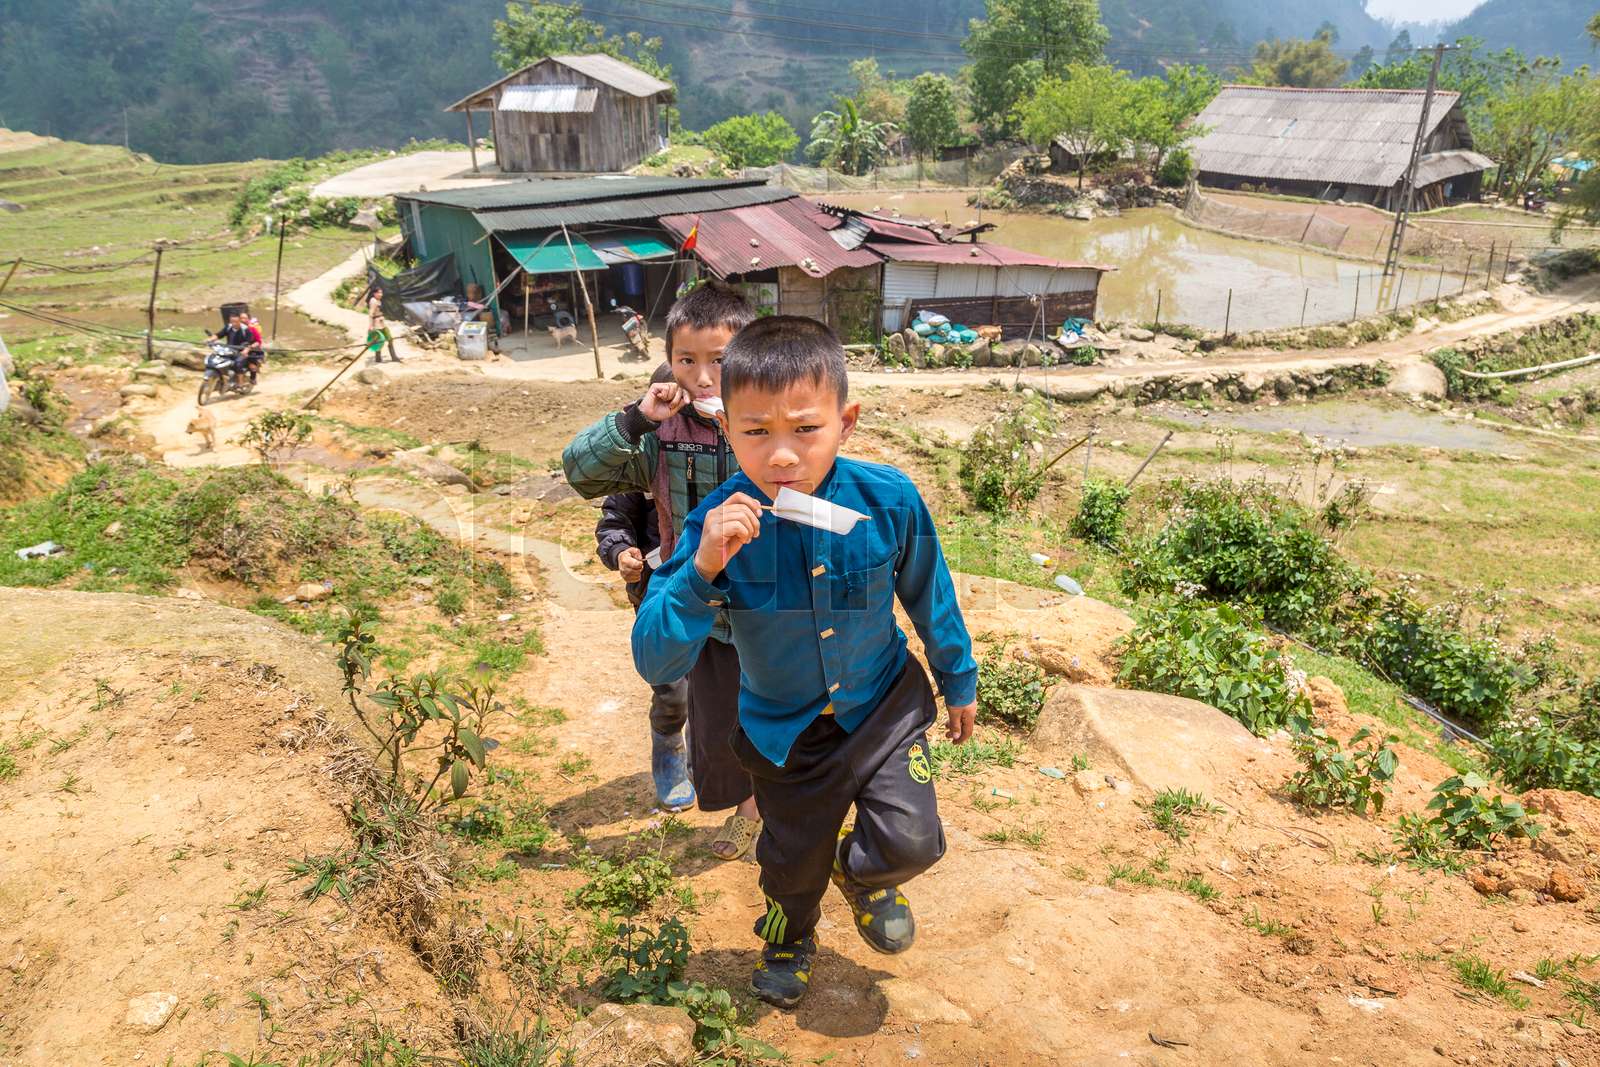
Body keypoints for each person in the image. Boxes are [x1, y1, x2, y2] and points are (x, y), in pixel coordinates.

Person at [632, 315, 978, 1010]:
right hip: (785, 735)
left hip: (883, 710)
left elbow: (928, 591)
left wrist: (957, 675)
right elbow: (655, 656)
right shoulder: (715, 526)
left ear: (845, 422)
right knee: (791, 866)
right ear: (726, 428)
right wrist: (702, 572)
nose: (783, 454)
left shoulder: (888, 500)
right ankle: (789, 939)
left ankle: (866, 874)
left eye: (805, 428)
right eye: (757, 431)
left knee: (912, 841)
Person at [563, 283, 761, 859]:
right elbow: (581, 474)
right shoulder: (662, 437)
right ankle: (717, 787)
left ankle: (766, 812)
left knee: (778, 714)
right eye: (686, 361)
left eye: (720, 361)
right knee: (712, 718)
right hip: (696, 603)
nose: (703, 377)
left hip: (772, 605)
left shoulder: (771, 421)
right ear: (668, 363)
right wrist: (636, 420)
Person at [593, 417, 693, 810]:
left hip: (717, 591)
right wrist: (621, 553)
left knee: (717, 682)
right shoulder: (643, 460)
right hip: (657, 592)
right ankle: (669, 753)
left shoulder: (728, 449)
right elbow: (614, 522)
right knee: (672, 688)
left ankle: (706, 757)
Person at [366, 286, 400, 364]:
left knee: (389, 339)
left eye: (381, 292)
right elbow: (371, 314)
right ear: (374, 293)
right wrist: (371, 326)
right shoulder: (373, 301)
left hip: (382, 323)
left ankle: (393, 357)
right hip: (377, 324)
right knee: (379, 340)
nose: (380, 294)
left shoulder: (378, 301)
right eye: (379, 292)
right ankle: (379, 358)